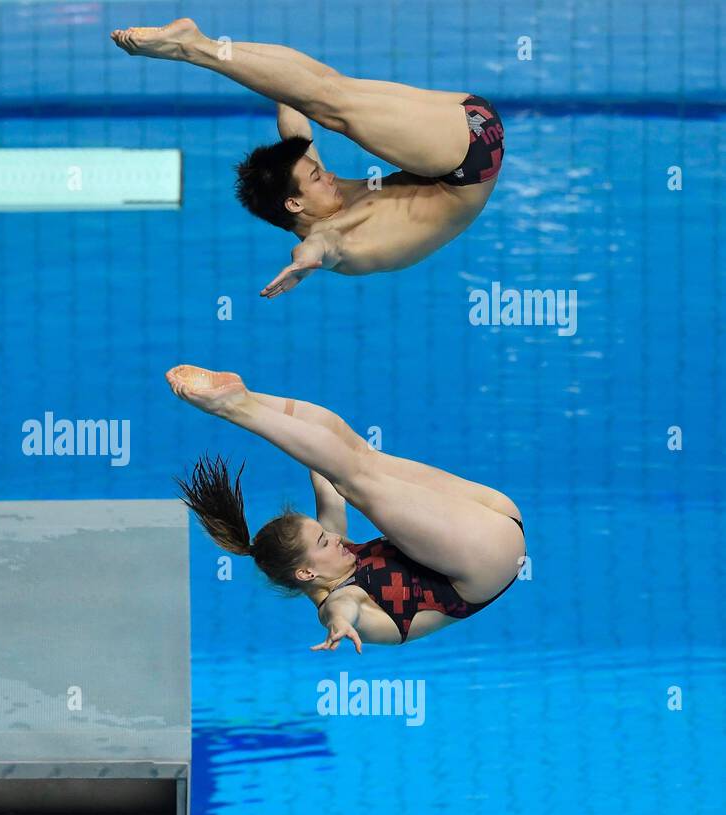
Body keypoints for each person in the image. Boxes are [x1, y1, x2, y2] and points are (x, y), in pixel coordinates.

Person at [111, 18, 506, 296]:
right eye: (317, 178)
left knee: (325, 91)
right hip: (467, 157)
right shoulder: (339, 236)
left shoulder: (314, 200)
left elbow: (294, 123)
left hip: (467, 123)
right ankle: (192, 47)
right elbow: (322, 246)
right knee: (333, 105)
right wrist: (303, 263)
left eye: (319, 171)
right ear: (294, 203)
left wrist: (278, 85)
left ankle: (202, 44)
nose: (330, 176)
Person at [166, 365, 523, 650]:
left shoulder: (334, 559)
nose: (336, 538)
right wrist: (339, 625)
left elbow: (326, 475)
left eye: (324, 534)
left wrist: (316, 453)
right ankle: (233, 407)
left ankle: (247, 397)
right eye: (323, 541)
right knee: (354, 478)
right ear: (307, 573)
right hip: (489, 558)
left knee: (356, 454)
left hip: (495, 515)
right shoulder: (339, 599)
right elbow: (345, 609)